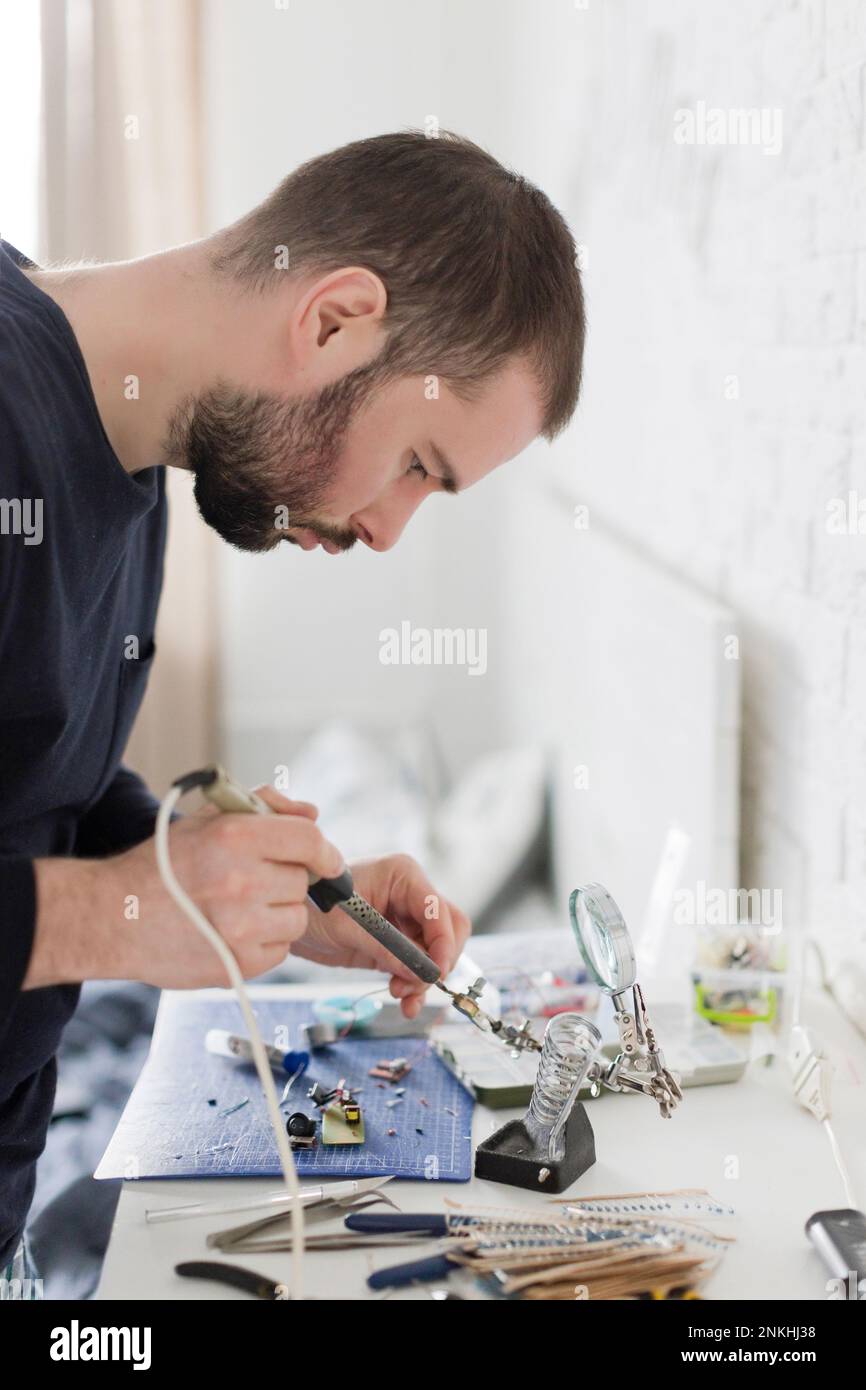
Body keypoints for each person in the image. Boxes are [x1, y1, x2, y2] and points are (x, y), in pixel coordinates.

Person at [0, 130, 586, 1275]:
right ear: (332, 320)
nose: (386, 529)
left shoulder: (133, 461)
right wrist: (120, 914)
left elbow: (37, 779)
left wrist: (225, 873)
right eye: (417, 463)